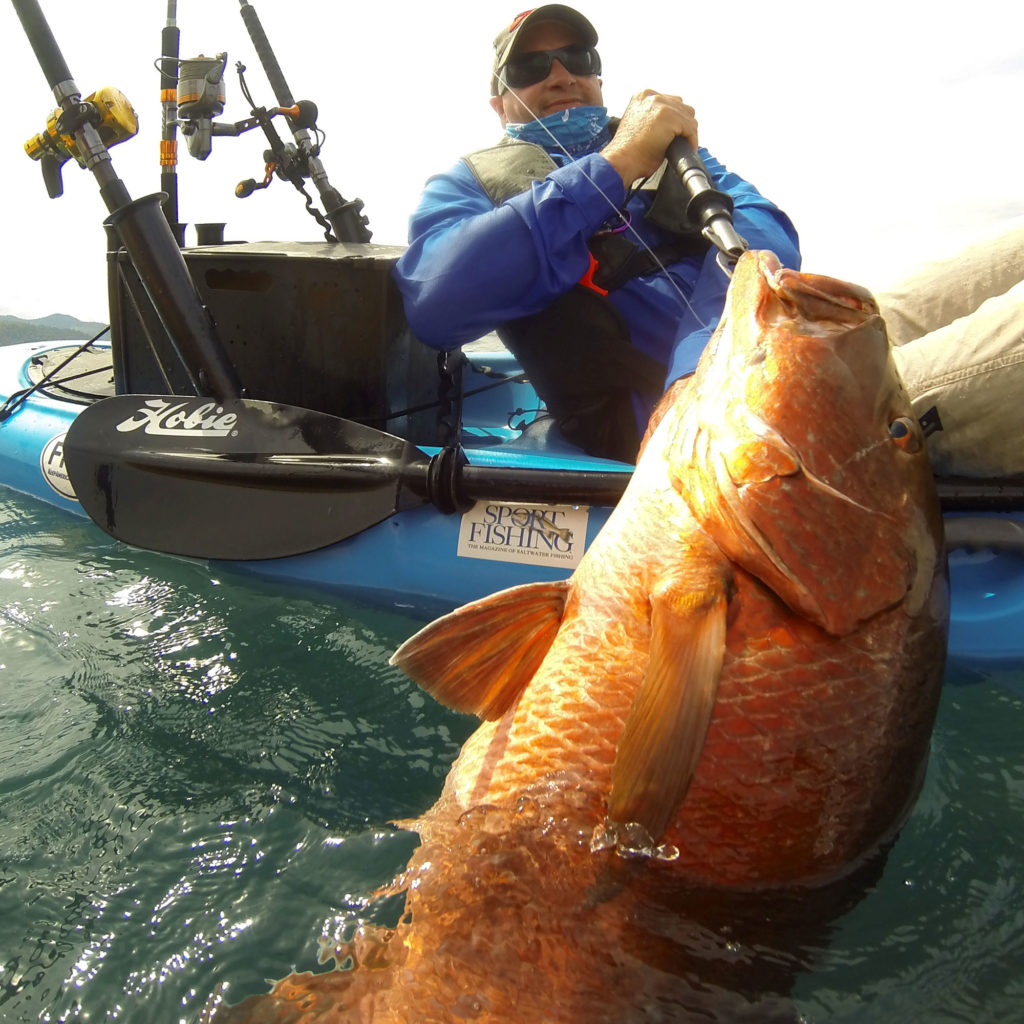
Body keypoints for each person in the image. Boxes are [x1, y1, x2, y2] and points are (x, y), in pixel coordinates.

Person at [392, 5, 801, 463]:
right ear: (499, 104)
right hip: (645, 436)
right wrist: (617, 164)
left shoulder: (680, 154)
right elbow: (437, 301)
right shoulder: (466, 185)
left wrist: (701, 368)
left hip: (753, 385)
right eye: (531, 67)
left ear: (599, 80)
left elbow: (764, 234)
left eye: (578, 58)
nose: (562, 76)